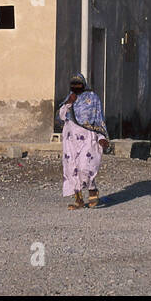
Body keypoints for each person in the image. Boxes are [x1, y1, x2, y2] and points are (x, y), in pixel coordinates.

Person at [59, 74, 108, 209]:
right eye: (73, 85)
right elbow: (62, 116)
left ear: (83, 84)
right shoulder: (70, 98)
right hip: (70, 139)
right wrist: (69, 102)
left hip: (88, 137)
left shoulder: (93, 98)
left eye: (78, 85)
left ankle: (92, 190)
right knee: (72, 168)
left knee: (85, 166)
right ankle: (78, 200)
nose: (75, 87)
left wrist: (102, 137)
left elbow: (99, 119)